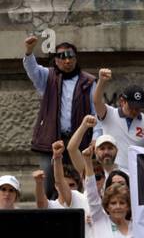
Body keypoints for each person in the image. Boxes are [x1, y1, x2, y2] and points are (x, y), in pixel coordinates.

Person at [65, 119, 136, 238]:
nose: (106, 152)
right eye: (102, 148)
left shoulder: (127, 173)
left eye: (110, 148)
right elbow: (72, 149)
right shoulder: (91, 170)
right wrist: (83, 126)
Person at [23, 35, 95, 194]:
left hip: (78, 141)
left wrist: (96, 136)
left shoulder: (88, 81)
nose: (67, 61)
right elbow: (32, 69)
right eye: (62, 57)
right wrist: (29, 51)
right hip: (51, 139)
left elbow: (95, 112)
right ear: (56, 60)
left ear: (76, 59)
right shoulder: (47, 77)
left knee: (80, 180)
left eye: (71, 57)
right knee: (49, 181)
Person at [92, 71, 144, 150]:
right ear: (122, 101)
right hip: (112, 162)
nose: (134, 111)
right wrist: (101, 81)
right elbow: (96, 102)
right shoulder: (109, 114)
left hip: (137, 162)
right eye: (131, 107)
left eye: (138, 108)